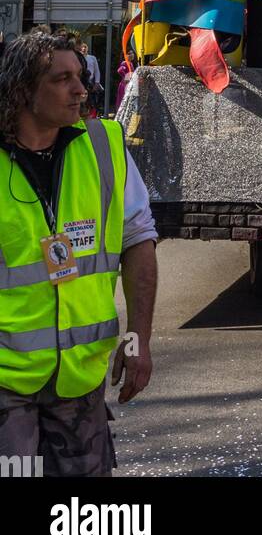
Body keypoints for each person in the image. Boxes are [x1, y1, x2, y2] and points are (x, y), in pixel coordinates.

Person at [0, 30, 158, 476]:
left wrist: (137, 340)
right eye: (62, 79)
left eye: (80, 76)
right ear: (22, 90)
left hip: (79, 382)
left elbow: (139, 240)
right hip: (7, 386)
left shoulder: (104, 146)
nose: (80, 89)